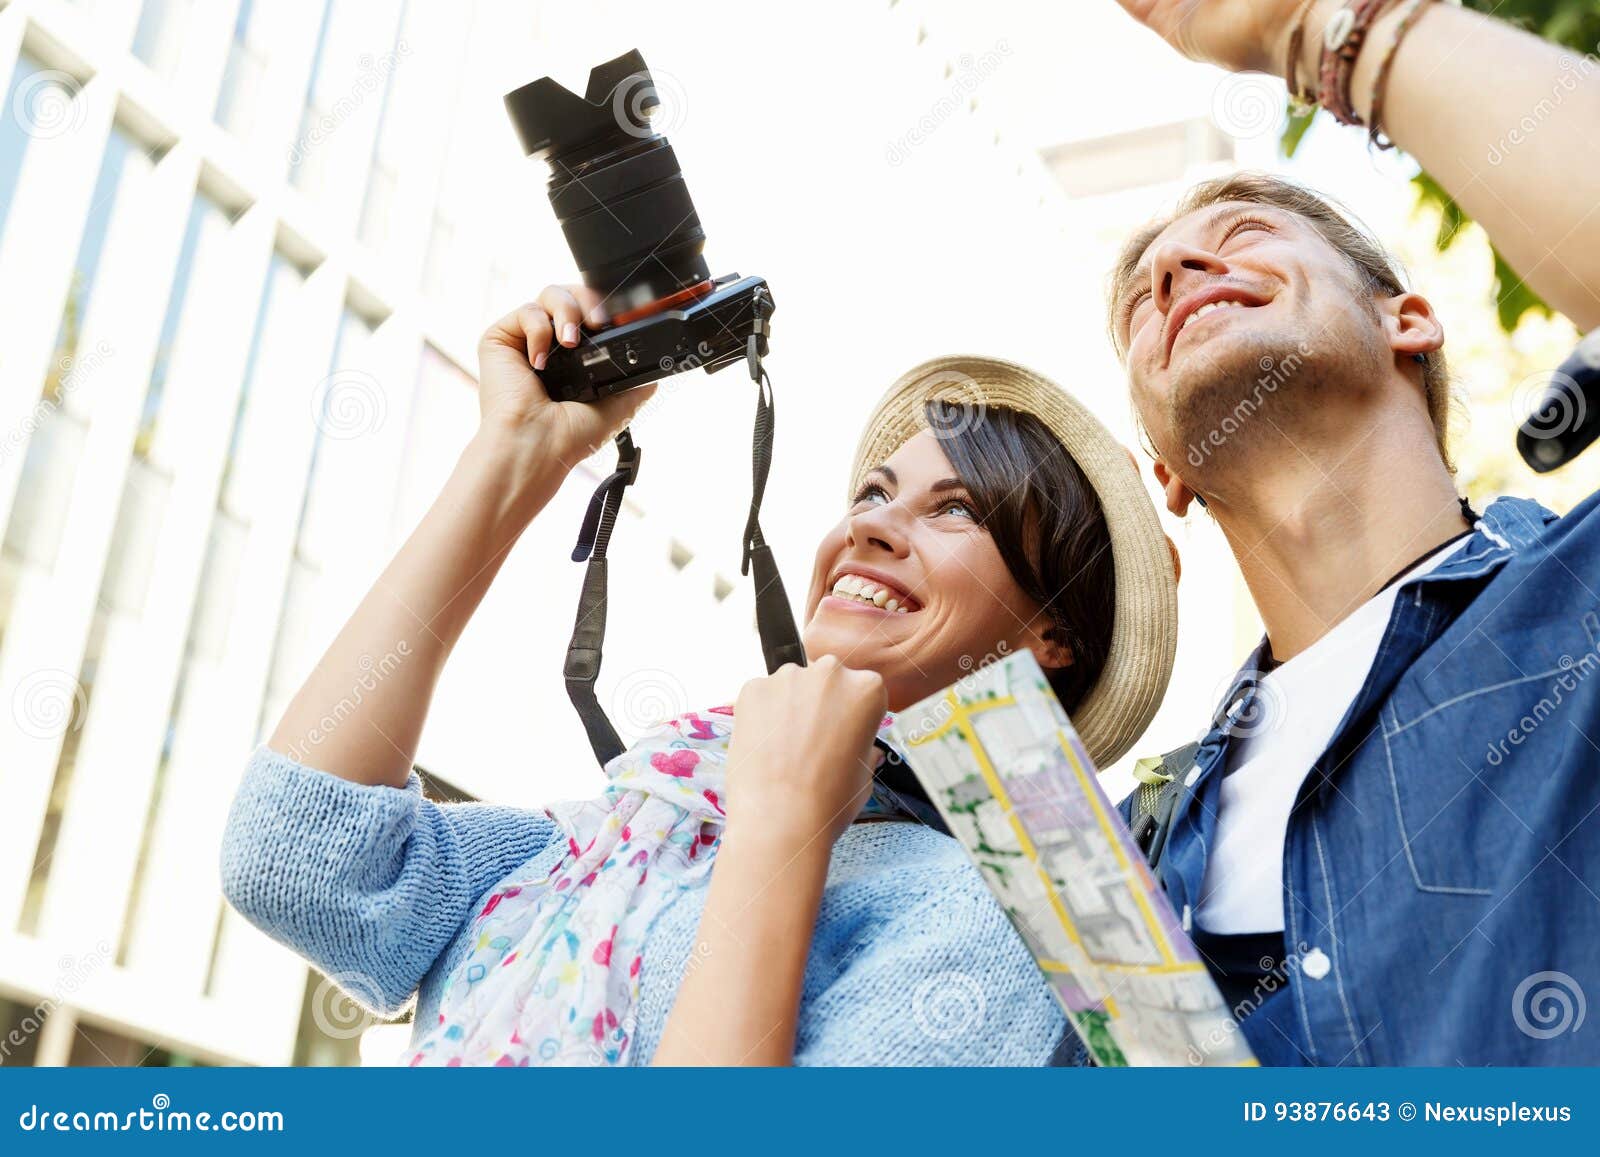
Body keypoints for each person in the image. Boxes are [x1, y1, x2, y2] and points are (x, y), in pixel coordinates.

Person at [218, 280, 1180, 1066]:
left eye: (956, 509)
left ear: (1053, 634)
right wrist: (511, 460)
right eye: (874, 492)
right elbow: (299, 862)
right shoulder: (627, 829)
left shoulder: (999, 915)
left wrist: (785, 824)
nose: (871, 525)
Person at [1106, 0, 1600, 1064]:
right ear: (1168, 475)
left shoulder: (1583, 598)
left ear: (1405, 320)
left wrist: (1317, 26)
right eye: (1147, 296)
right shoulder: (1116, 855)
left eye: (1239, 239)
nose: (1178, 275)